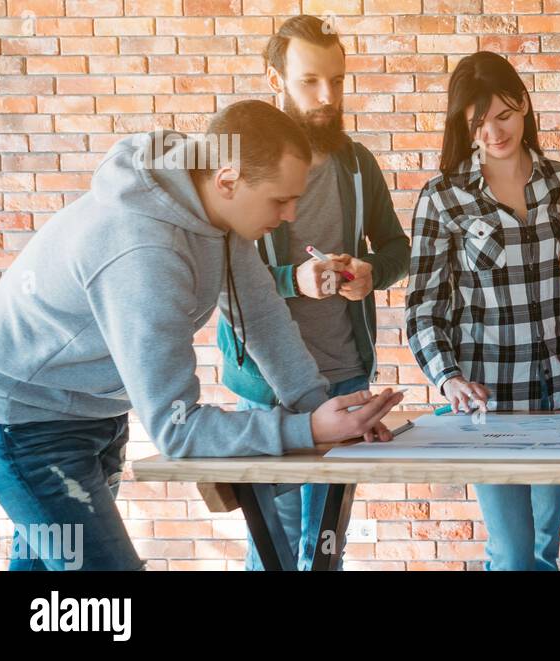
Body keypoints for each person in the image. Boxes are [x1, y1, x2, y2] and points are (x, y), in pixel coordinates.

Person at [0, 100, 401, 571]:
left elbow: (260, 317)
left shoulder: (211, 212)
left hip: (93, 408)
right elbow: (177, 430)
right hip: (22, 422)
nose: (290, 214)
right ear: (227, 181)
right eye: (280, 200)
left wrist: (322, 409)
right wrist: (307, 428)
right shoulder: (144, 249)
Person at [217, 15, 411, 571]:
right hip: (265, 384)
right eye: (310, 81)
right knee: (269, 548)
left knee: (325, 545)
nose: (328, 97)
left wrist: (372, 271)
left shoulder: (356, 164)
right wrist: (291, 281)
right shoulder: (237, 169)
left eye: (338, 80)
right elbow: (223, 278)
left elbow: (397, 249)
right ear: (274, 78)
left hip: (344, 375)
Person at [406, 52, 560, 571]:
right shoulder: (444, 198)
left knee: (542, 552)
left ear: (524, 104)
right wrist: (447, 378)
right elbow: (423, 306)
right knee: (512, 554)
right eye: (477, 124)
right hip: (490, 404)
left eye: (503, 116)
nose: (493, 133)